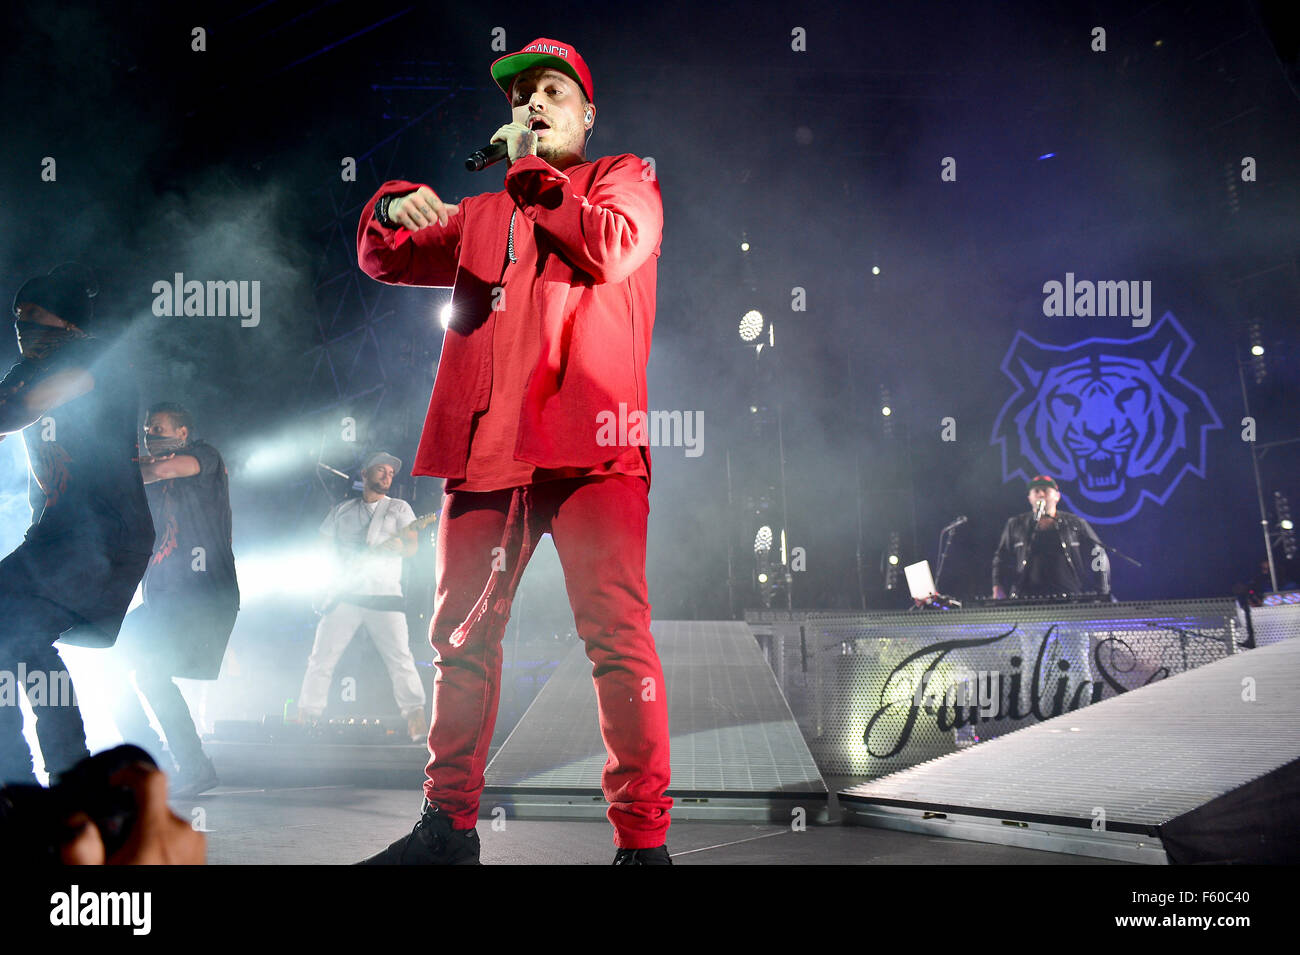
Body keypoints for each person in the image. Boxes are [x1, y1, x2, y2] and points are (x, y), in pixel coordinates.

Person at [356, 37, 671, 865]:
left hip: (590, 450)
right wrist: (392, 206)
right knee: (458, 642)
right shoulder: (484, 214)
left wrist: (530, 174)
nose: (532, 103)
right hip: (487, 455)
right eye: (520, 93)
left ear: (586, 114)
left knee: (616, 641)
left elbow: (606, 246)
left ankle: (643, 847)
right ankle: (448, 830)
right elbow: (384, 258)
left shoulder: (626, 180)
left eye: (552, 91)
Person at [0, 265, 154, 784]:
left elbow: (27, 408)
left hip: (104, 535)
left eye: (35, 317)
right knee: (17, 643)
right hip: (57, 534)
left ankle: (39, 782)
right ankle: (49, 782)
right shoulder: (23, 372)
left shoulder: (96, 357)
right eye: (18, 320)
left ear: (66, 320)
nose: (24, 329)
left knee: (14, 635)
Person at [106, 402, 240, 799]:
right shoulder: (148, 478)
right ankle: (153, 761)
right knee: (116, 661)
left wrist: (112, 473)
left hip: (202, 593)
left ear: (183, 433)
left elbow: (163, 468)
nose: (151, 433)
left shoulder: (205, 456)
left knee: (149, 672)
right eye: (147, 429)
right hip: (166, 596)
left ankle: (188, 765)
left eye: (159, 428)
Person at [297, 451, 428, 742]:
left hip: (385, 594)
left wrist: (398, 548)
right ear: (365, 474)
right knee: (322, 657)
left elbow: (412, 546)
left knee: (400, 659)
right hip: (345, 594)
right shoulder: (342, 510)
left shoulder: (398, 508)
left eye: (391, 473)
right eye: (380, 470)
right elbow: (323, 548)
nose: (386, 476)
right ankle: (307, 714)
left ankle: (415, 717)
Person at [992, 475, 1110, 599]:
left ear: (1057, 496)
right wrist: (997, 586)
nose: (1041, 494)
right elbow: (1001, 558)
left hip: (1070, 597)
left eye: (1046, 490)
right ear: (1029, 498)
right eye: (1036, 491)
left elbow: (1098, 552)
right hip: (1026, 597)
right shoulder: (1016, 524)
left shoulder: (1074, 523)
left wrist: (1102, 589)